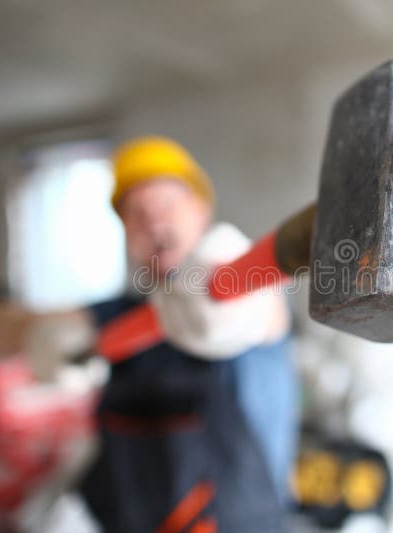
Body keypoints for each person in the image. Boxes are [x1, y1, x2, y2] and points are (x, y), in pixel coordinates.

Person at [76, 137, 298, 532]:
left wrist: (246, 298)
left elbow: (271, 317)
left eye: (166, 205)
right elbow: (38, 323)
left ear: (201, 211)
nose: (153, 222)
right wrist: (34, 333)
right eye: (137, 213)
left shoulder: (239, 291)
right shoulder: (117, 316)